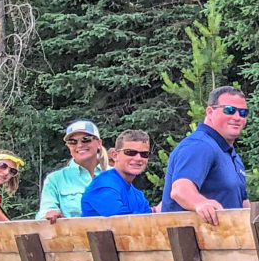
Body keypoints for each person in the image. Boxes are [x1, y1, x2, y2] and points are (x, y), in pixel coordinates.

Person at [162, 86, 249, 223]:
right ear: (210, 111)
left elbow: (244, 204)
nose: (237, 117)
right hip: (191, 242)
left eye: (243, 113)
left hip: (229, 240)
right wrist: (200, 203)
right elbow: (180, 189)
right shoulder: (199, 145)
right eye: (229, 110)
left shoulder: (231, 154)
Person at [39, 119, 108, 221]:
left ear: (98, 143)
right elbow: (45, 214)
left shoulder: (116, 175)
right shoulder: (54, 180)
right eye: (72, 142)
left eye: (86, 139)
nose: (79, 145)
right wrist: (50, 215)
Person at [82, 130, 154, 217]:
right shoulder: (103, 186)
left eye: (144, 154)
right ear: (115, 155)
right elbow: (122, 223)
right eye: (130, 152)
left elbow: (150, 223)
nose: (138, 158)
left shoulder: (138, 196)